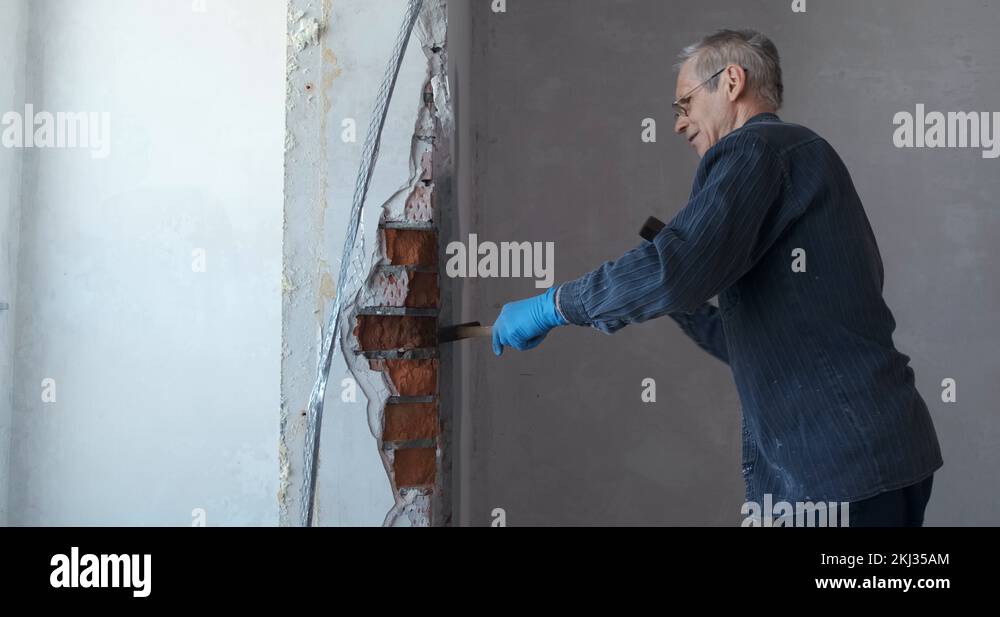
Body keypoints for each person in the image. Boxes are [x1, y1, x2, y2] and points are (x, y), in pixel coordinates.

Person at [491, 29, 943, 527]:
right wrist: (676, 295)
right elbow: (742, 339)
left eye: (685, 103)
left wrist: (553, 306)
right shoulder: (800, 156)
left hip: (837, 469)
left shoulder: (757, 149)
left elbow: (672, 271)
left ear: (731, 82)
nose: (680, 124)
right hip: (870, 454)